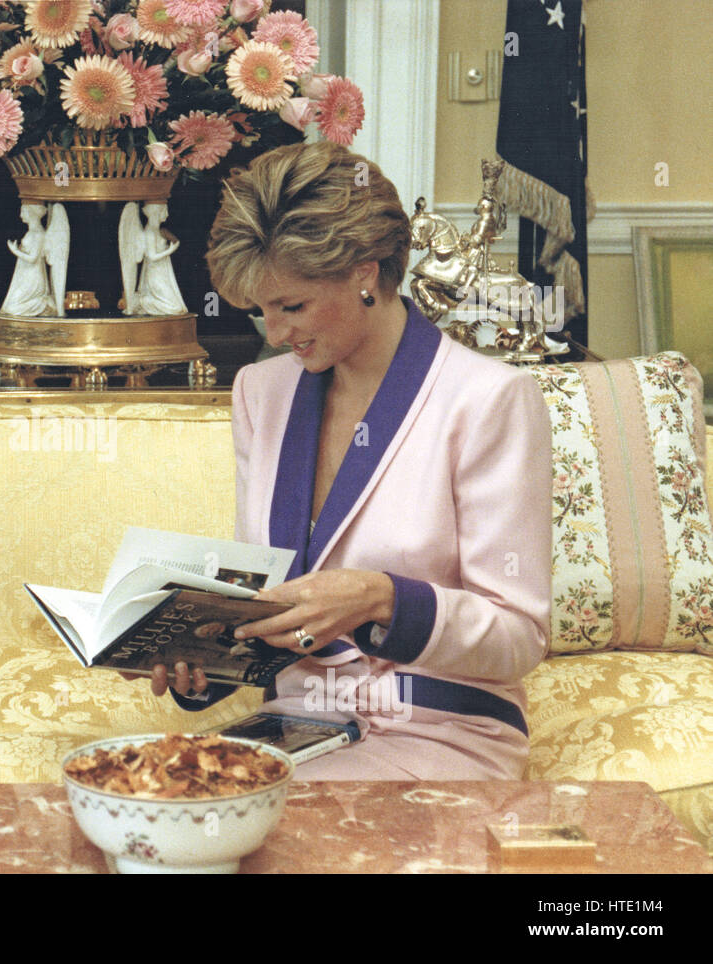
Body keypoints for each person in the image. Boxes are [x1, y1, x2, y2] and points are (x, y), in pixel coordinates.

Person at [148, 142, 551, 780]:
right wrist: (207, 659)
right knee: (147, 808)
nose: (274, 334)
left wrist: (381, 598)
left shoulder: (489, 399)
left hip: (440, 730)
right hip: (290, 730)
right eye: (260, 311)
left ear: (365, 272)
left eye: (292, 306)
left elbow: (518, 635)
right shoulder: (262, 392)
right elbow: (269, 594)